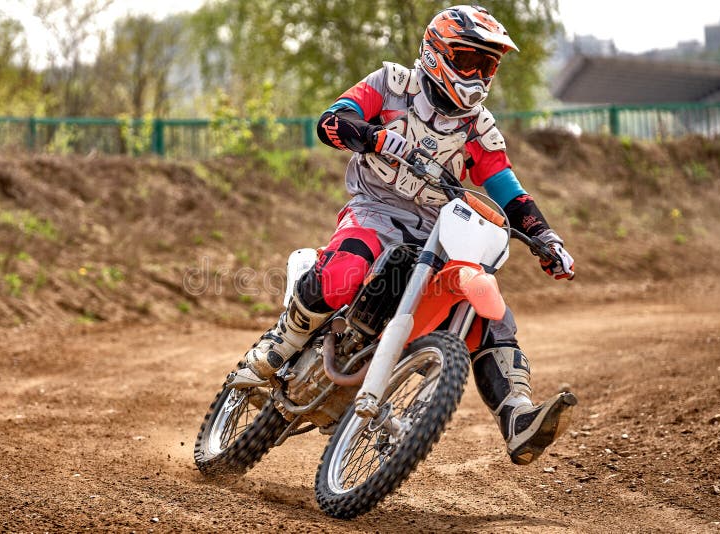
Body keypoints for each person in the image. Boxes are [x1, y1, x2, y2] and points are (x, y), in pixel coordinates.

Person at [231, 5, 577, 465]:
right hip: (374, 210)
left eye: (487, 66)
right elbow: (332, 121)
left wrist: (546, 238)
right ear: (438, 53)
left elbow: (510, 192)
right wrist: (372, 137)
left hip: (436, 232)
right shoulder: (393, 85)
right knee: (346, 269)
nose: (476, 74)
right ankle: (282, 343)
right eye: (468, 60)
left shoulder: (479, 128)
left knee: (485, 314)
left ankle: (517, 415)